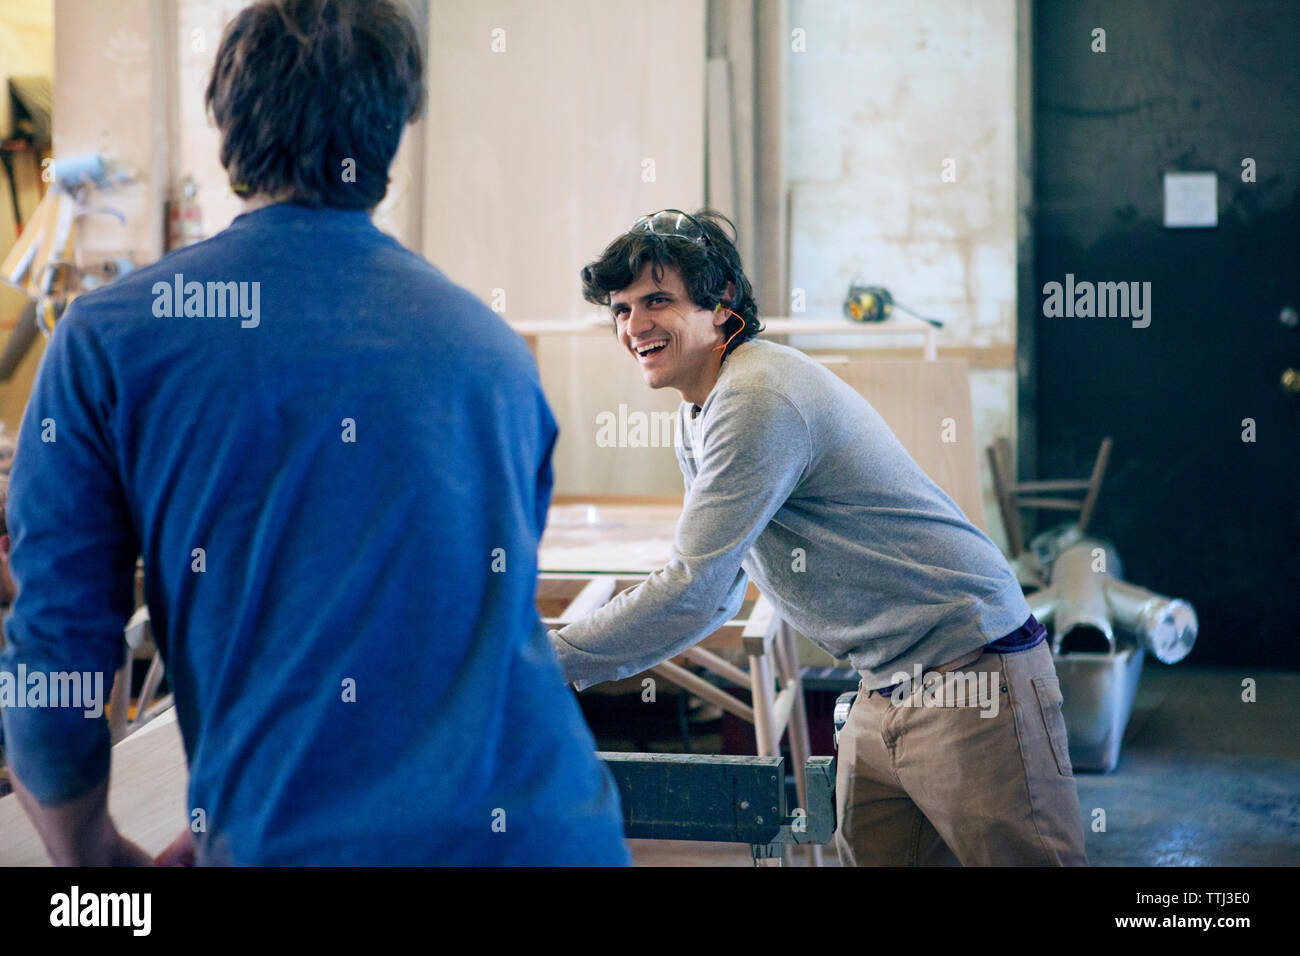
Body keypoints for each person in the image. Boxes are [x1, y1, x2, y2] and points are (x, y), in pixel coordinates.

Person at [0, 0, 627, 866]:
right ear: (392, 134)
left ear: (228, 130)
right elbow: (445, 624)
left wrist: (93, 855)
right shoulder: (491, 352)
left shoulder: (110, 341)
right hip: (555, 834)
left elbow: (54, 664)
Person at [550, 208, 1088, 866]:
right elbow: (716, 595)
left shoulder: (756, 397)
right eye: (621, 308)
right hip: (880, 686)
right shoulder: (699, 412)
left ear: (721, 305)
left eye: (657, 300)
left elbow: (693, 591)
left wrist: (547, 662)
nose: (633, 326)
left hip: (969, 677)